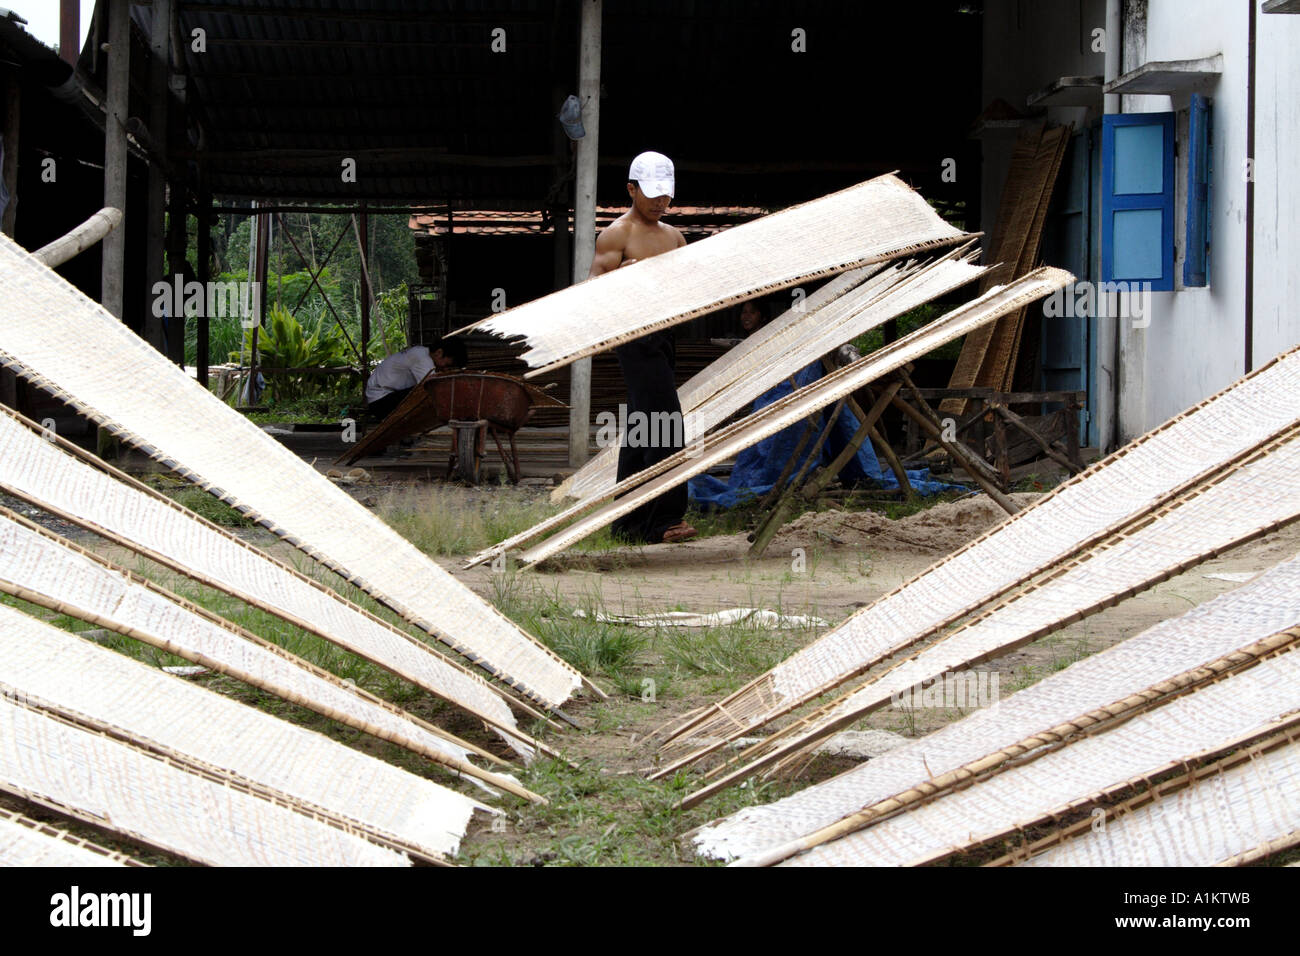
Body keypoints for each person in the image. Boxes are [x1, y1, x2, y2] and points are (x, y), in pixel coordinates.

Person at [588, 150, 697, 545]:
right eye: (651, 194)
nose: (659, 202)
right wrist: (625, 278)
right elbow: (592, 291)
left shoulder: (675, 237)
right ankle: (664, 520)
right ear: (631, 189)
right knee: (666, 424)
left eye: (665, 195)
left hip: (666, 336)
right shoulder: (618, 234)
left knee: (641, 428)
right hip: (635, 340)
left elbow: (687, 288)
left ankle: (629, 524)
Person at [364, 336, 467, 419]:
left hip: (383, 398)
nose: (446, 369)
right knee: (429, 392)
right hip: (381, 402)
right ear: (439, 353)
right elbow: (434, 388)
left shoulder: (421, 353)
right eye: (448, 365)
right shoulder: (423, 359)